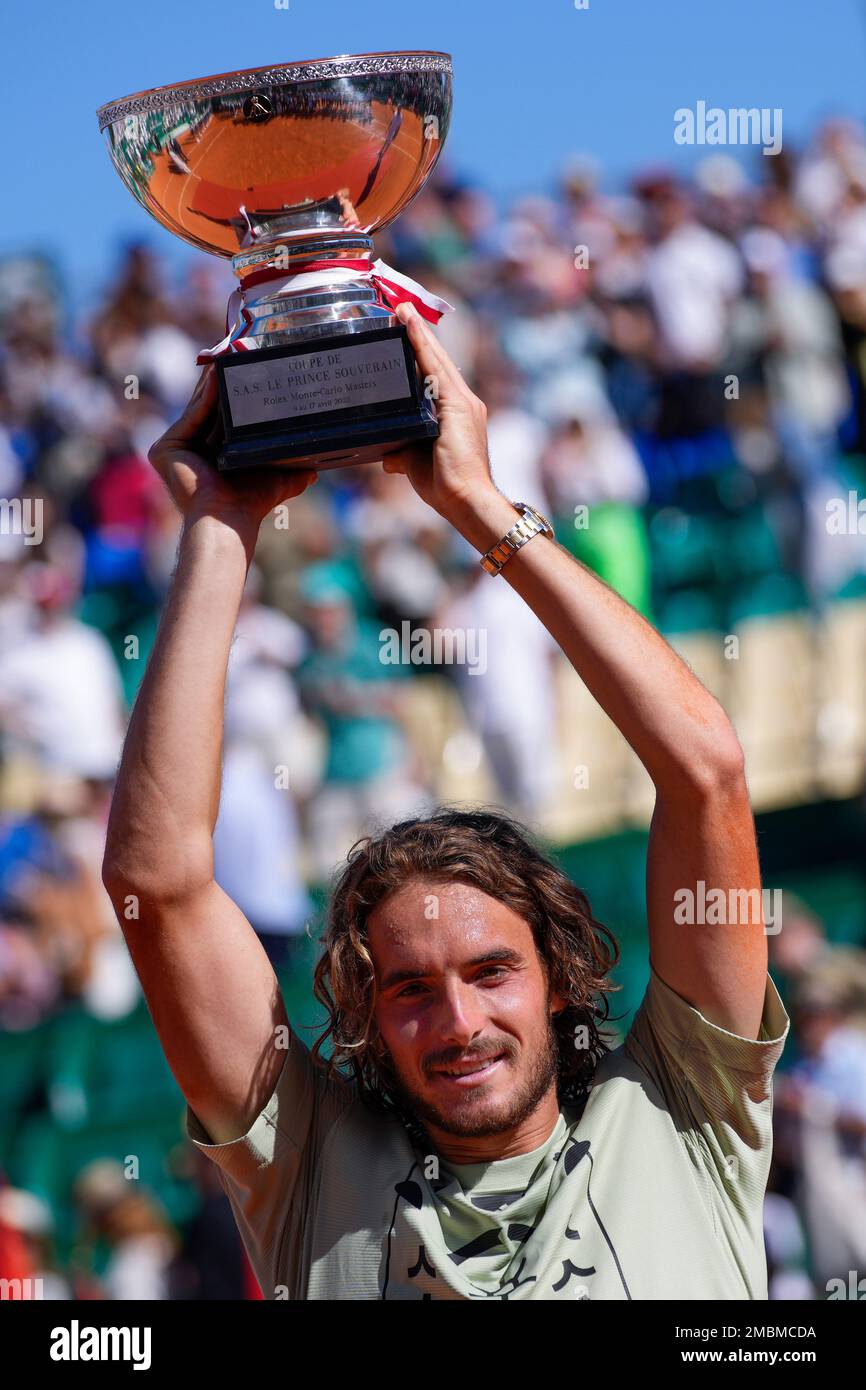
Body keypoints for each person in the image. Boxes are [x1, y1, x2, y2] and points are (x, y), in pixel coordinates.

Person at [102, 300, 789, 1301]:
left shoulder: (686, 1103)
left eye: (489, 970)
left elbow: (704, 772)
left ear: (557, 977)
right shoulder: (306, 1165)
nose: (458, 1021)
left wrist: (472, 502)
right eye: (408, 989)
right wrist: (217, 527)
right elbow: (155, 887)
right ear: (369, 1021)